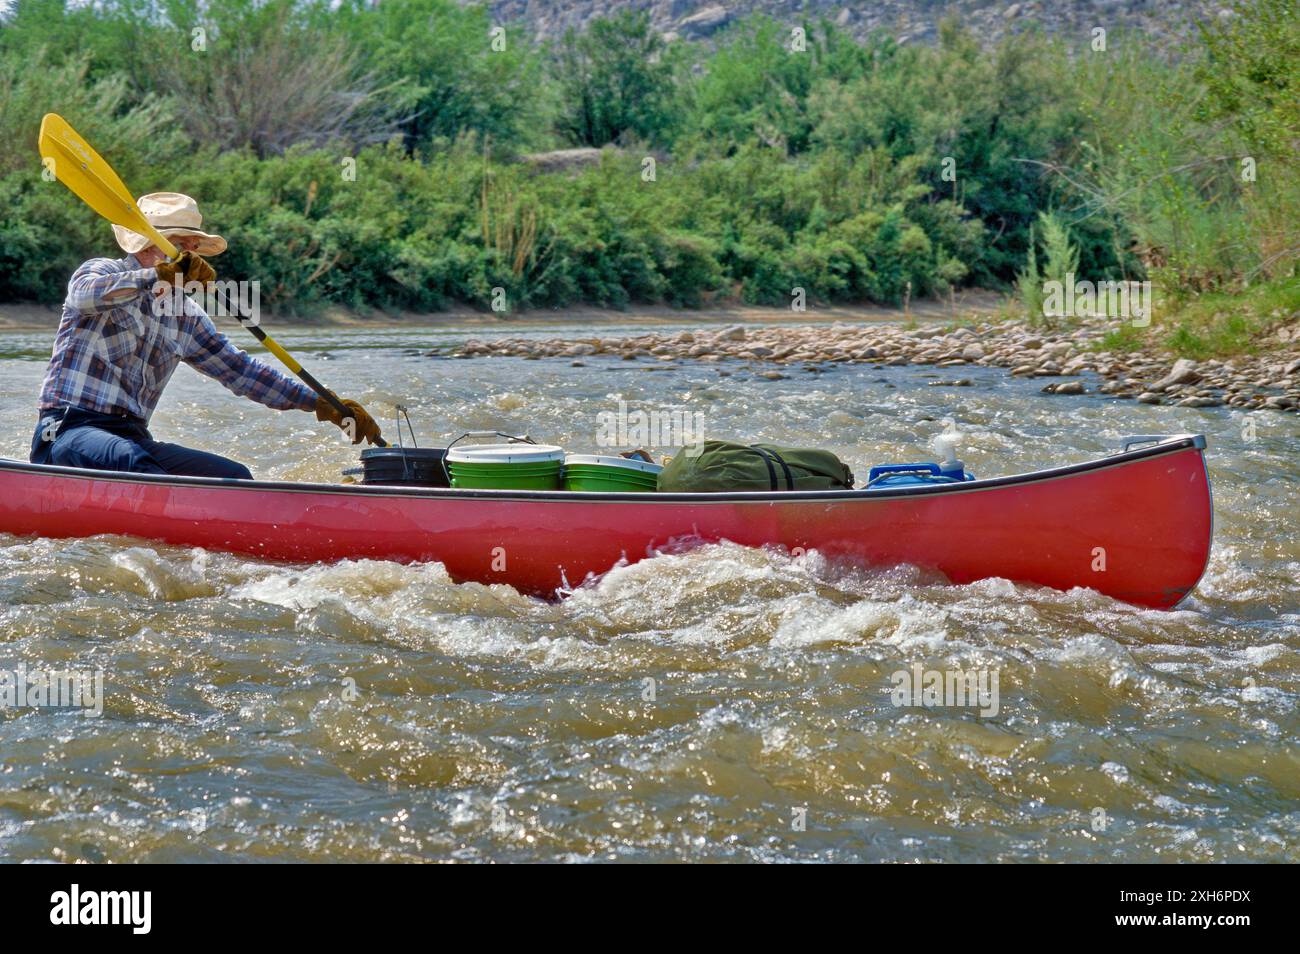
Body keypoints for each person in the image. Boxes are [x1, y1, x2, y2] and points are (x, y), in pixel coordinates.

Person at [29, 192, 380, 479]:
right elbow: (84, 295)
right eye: (182, 244)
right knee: (136, 465)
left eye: (194, 246)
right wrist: (158, 276)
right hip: (66, 432)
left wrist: (323, 404)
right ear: (149, 244)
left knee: (235, 477)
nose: (191, 254)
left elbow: (241, 372)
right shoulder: (104, 271)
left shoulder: (185, 316)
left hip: (131, 437)